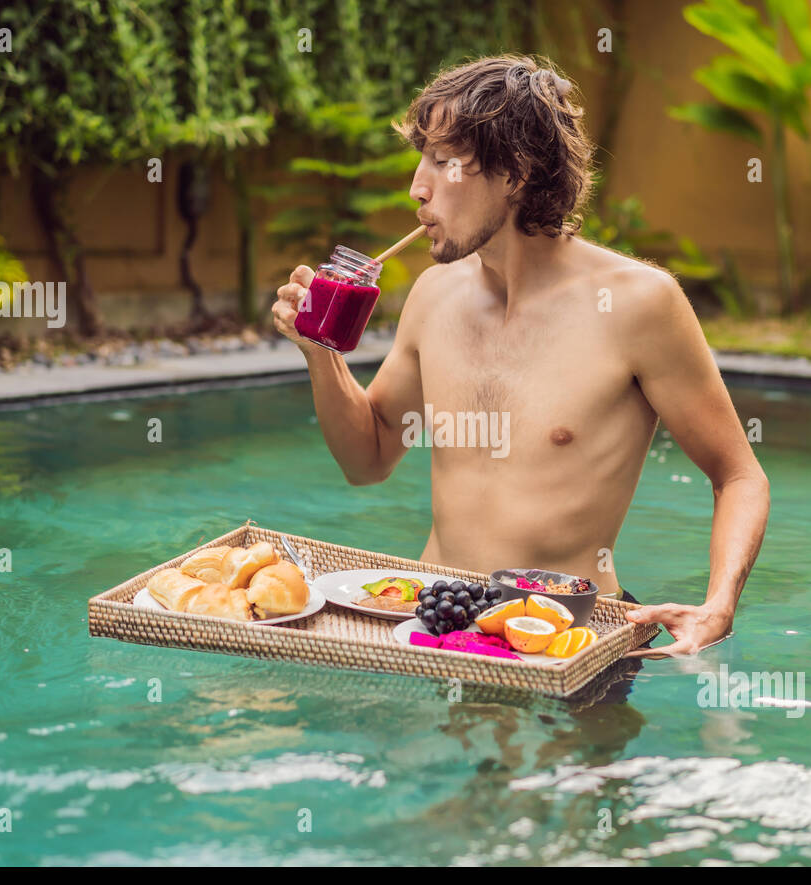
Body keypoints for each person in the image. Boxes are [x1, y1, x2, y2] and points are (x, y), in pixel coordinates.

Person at [271, 54, 769, 654]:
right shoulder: (432, 295)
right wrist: (319, 352)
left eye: (444, 162)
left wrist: (719, 606)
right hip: (432, 625)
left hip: (568, 638)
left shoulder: (639, 304)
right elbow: (368, 458)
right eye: (420, 159)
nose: (417, 188)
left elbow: (739, 476)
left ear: (516, 172)